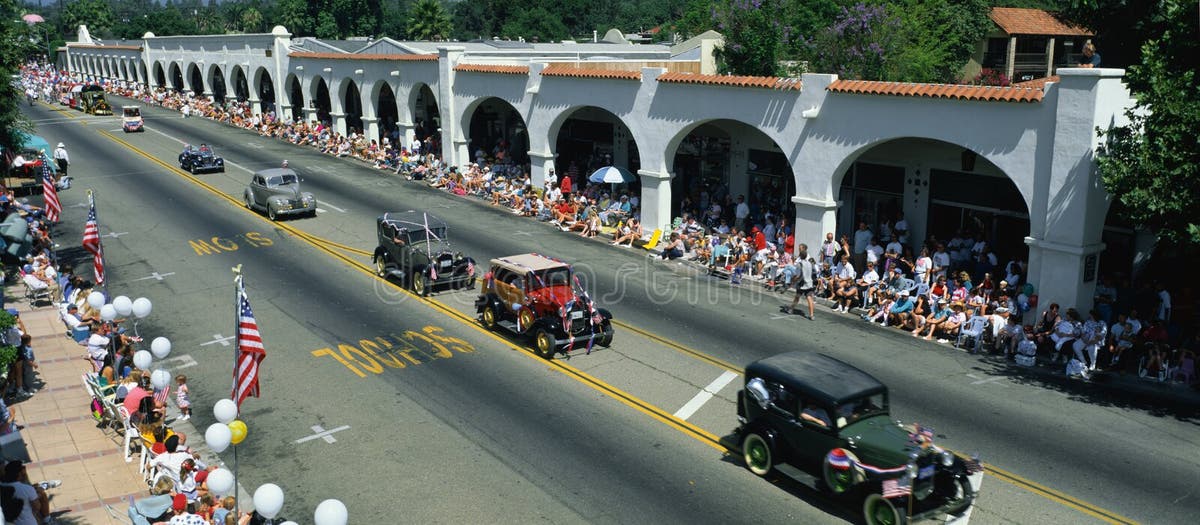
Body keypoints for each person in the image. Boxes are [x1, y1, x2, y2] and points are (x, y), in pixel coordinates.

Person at [789, 244, 816, 319]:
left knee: (797, 297)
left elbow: (798, 276)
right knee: (809, 298)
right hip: (809, 283)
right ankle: (811, 315)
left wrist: (792, 282)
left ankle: (791, 309)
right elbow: (814, 271)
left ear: (800, 256)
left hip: (802, 283)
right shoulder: (810, 263)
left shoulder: (799, 264)